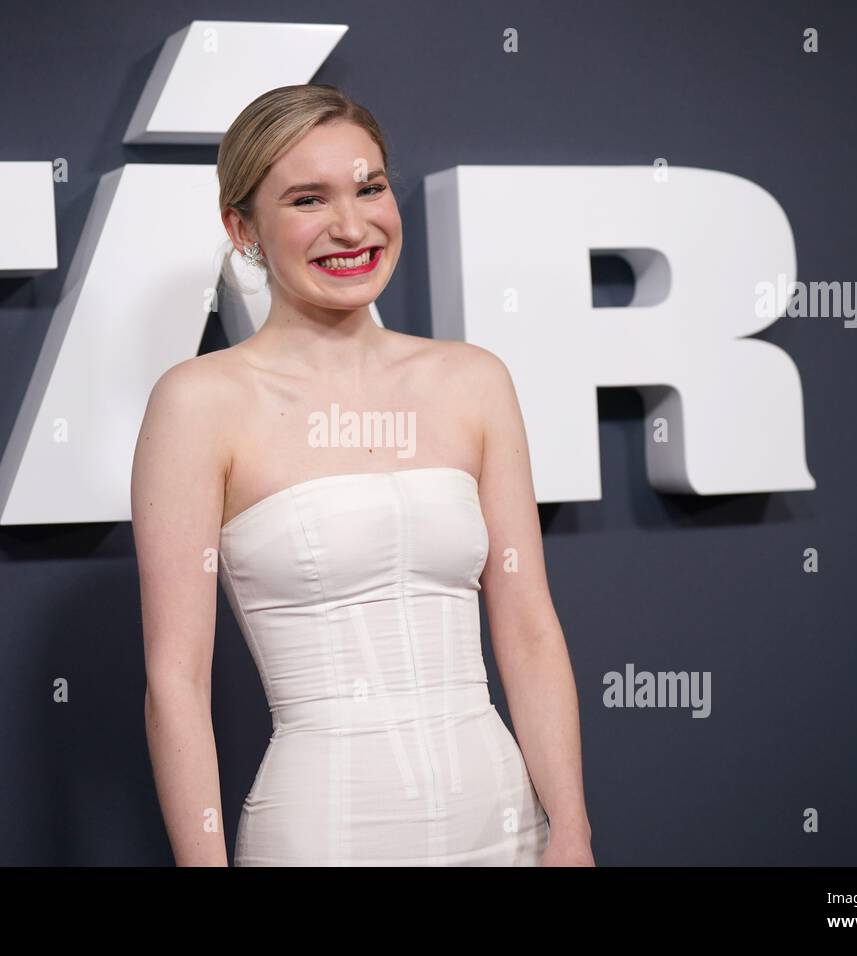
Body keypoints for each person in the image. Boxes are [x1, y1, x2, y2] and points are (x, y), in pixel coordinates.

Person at [131, 83, 595, 866]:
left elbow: (529, 629)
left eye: (370, 187)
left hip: (511, 826)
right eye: (308, 199)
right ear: (242, 228)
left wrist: (572, 832)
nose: (352, 226)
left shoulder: (474, 381)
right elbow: (175, 682)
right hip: (325, 834)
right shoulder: (199, 403)